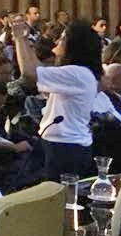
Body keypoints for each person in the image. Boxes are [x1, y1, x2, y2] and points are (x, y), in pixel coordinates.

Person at [9, 17, 102, 180]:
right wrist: (25, 40)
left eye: (63, 38)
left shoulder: (77, 73)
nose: (57, 42)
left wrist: (19, 38)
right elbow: (36, 69)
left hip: (65, 148)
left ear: (74, 46)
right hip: (60, 145)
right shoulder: (80, 73)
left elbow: (29, 73)